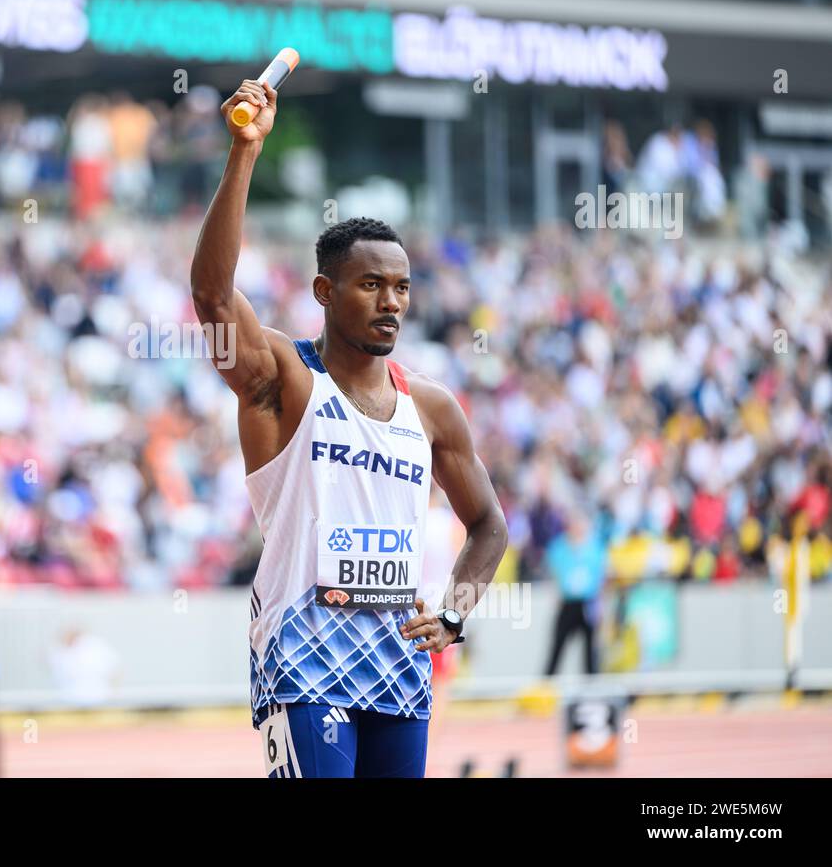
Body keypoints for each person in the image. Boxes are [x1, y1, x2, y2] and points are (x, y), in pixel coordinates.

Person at [190, 78, 507, 778]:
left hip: (398, 665)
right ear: (324, 293)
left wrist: (454, 614)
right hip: (303, 657)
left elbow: (489, 524)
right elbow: (212, 298)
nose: (391, 301)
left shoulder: (431, 408)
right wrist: (245, 151)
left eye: (401, 286)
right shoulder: (282, 379)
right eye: (371, 286)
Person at [543, 511, 606, 676]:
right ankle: (546, 687)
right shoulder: (559, 547)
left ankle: (592, 688)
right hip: (568, 602)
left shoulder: (594, 548)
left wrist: (600, 605)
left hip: (588, 602)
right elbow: (554, 574)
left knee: (590, 651)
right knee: (558, 646)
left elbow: (601, 577)